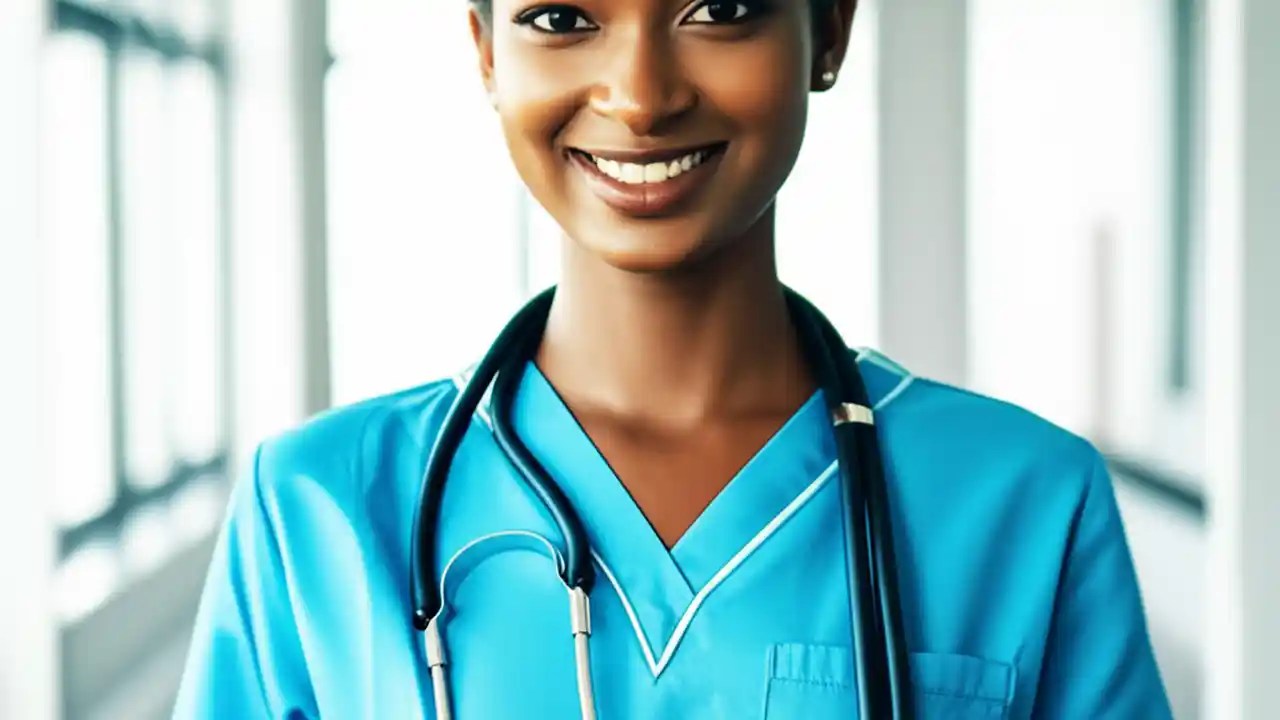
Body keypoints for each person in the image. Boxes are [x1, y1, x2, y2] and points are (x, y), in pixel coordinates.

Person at [173, 0, 1173, 717]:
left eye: (720, 7)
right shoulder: (312, 512)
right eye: (562, 19)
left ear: (827, 30)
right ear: (483, 52)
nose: (641, 94)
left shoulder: (1028, 503)